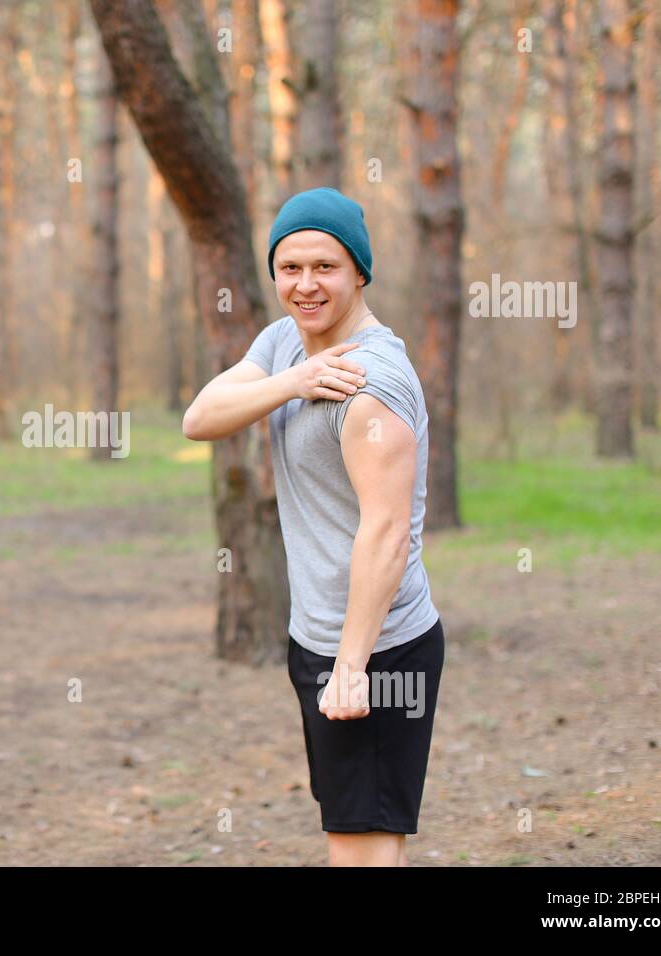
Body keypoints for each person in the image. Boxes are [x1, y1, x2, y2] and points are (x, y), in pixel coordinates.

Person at [182, 187, 444, 867]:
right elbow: (200, 418)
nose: (305, 284)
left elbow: (387, 534)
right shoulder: (287, 344)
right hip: (319, 638)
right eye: (289, 267)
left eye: (325, 266)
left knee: (358, 848)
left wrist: (352, 667)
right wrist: (293, 382)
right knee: (365, 837)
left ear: (360, 272)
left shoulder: (372, 385)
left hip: (376, 648)